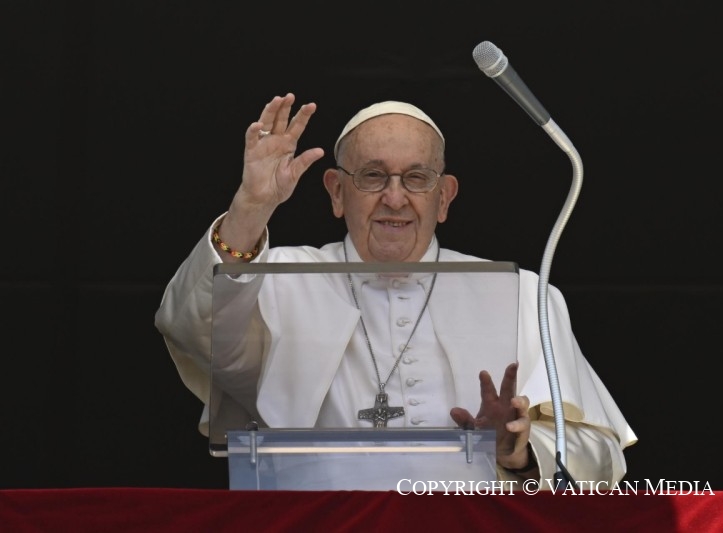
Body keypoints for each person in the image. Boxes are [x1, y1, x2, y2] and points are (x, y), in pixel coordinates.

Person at [155, 92, 637, 487]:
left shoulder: (520, 293)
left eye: (416, 178)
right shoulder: (278, 277)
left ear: (443, 197)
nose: (394, 196)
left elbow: (601, 458)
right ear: (336, 192)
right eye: (371, 175)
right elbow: (190, 328)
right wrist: (250, 207)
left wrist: (520, 449)